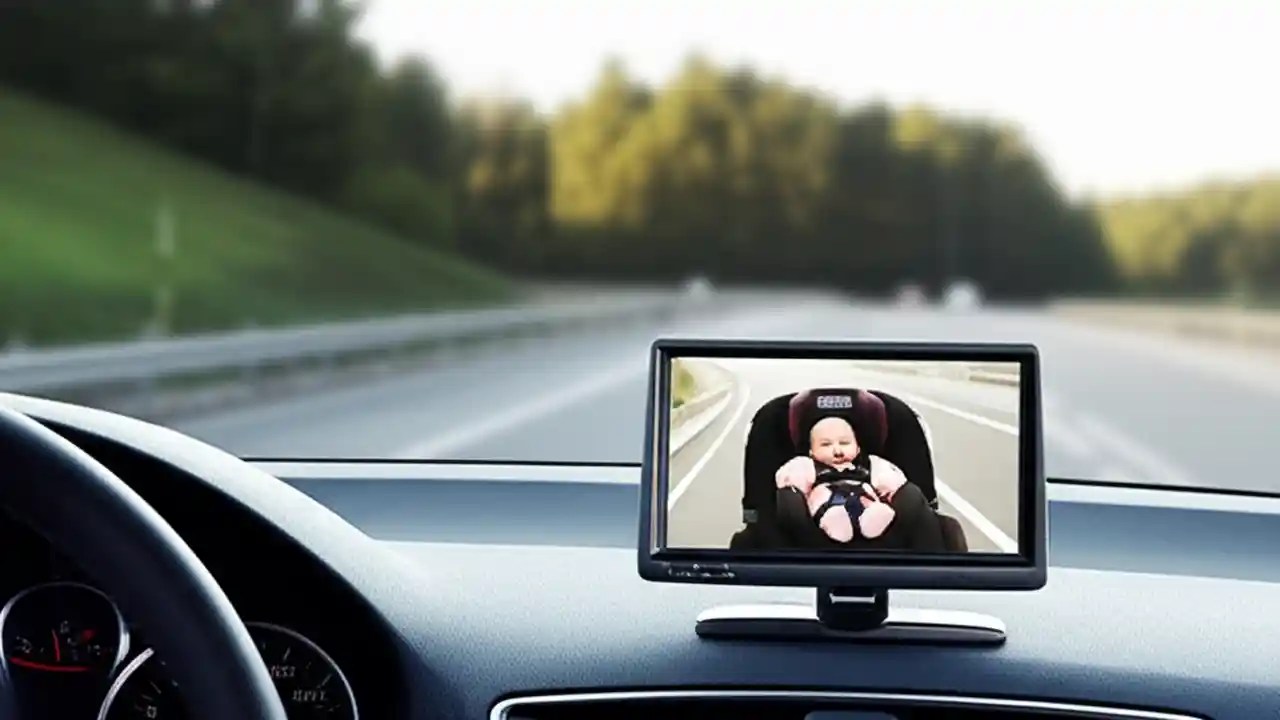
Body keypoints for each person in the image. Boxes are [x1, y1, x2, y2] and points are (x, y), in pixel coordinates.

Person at [775, 414, 946, 552]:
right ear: (812, 452)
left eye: (844, 443)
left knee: (910, 496)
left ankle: (874, 521)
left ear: (857, 448)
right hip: (820, 524)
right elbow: (790, 484)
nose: (837, 450)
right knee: (795, 502)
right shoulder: (807, 466)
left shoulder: (871, 465)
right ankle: (834, 522)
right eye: (826, 445)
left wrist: (897, 492)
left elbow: (893, 483)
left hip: (870, 511)